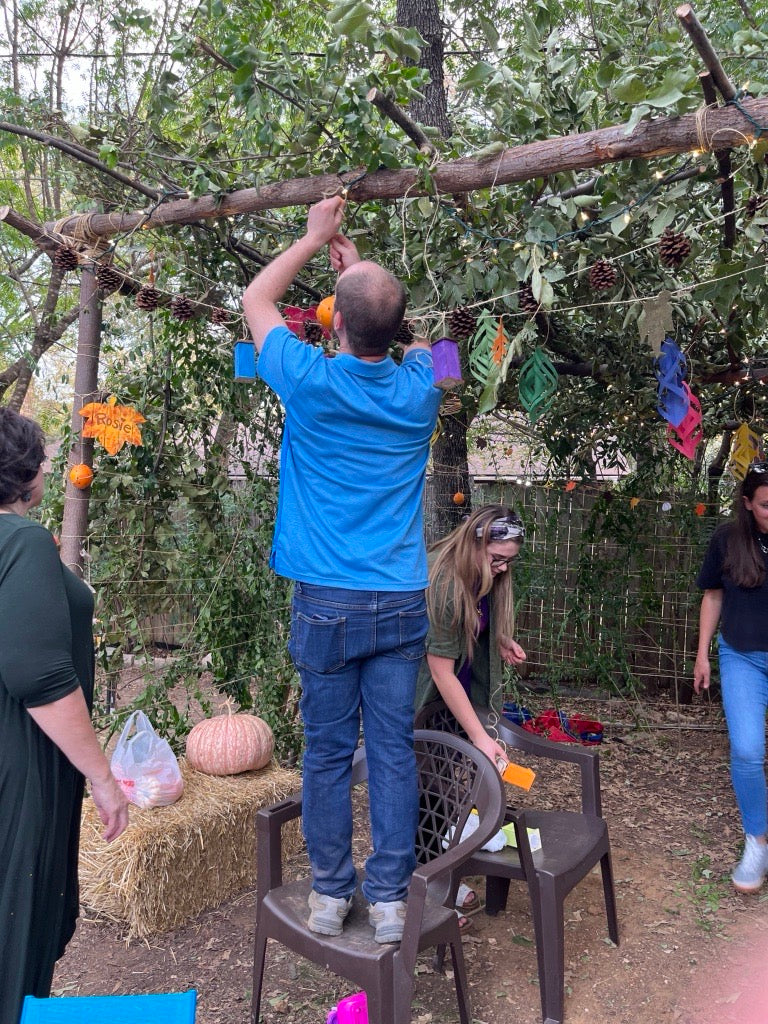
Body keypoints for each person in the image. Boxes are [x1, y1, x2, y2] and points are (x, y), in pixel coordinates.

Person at [242, 196, 442, 944]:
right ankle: (389, 899)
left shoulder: (308, 379)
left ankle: (331, 895)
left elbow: (255, 298)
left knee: (327, 752)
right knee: (391, 750)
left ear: (333, 323)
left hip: (326, 600)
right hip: (398, 601)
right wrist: (361, 280)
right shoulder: (423, 388)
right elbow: (434, 353)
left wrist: (314, 238)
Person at [0, 407, 129, 1023]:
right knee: (15, 933)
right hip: (19, 768)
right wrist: (102, 779)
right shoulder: (20, 539)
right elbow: (41, 678)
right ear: (28, 474)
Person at [414, 504, 528, 923]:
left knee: (444, 790)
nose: (501, 569)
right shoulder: (443, 580)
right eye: (497, 559)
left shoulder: (483, 573)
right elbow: (440, 672)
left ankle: (435, 874)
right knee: (423, 791)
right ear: (475, 541)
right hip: (422, 696)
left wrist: (498, 638)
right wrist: (481, 736)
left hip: (450, 694)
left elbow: (472, 620)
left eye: (508, 562)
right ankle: (421, 889)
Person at [694, 461, 768, 893]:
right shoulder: (727, 538)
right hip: (742, 657)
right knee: (746, 750)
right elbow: (713, 595)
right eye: (764, 506)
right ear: (747, 504)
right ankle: (757, 842)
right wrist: (702, 655)